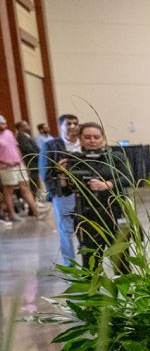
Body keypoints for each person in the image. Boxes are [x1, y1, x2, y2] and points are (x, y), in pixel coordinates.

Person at [59, 122, 131, 268]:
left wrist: (107, 184)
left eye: (96, 137)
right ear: (81, 138)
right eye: (87, 137)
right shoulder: (74, 159)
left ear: (103, 139)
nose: (92, 140)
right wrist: (62, 173)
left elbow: (129, 178)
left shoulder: (115, 157)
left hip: (114, 215)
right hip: (87, 217)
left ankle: (127, 290)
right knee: (90, 263)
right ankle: (91, 290)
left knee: (121, 262)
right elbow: (65, 191)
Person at [42, 113, 80, 263]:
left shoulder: (83, 143)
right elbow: (45, 172)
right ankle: (70, 264)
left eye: (75, 123)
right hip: (63, 193)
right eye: (68, 124)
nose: (72, 127)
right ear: (60, 126)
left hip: (86, 192)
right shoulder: (51, 145)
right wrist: (55, 193)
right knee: (66, 231)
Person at [0, 115, 38, 224]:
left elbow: (16, 147)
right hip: (6, 167)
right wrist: (6, 162)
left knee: (25, 187)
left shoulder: (8, 133)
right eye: (2, 123)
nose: (5, 125)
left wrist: (22, 161)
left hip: (18, 164)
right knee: (9, 190)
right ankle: (12, 213)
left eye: (5, 122)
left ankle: (36, 211)